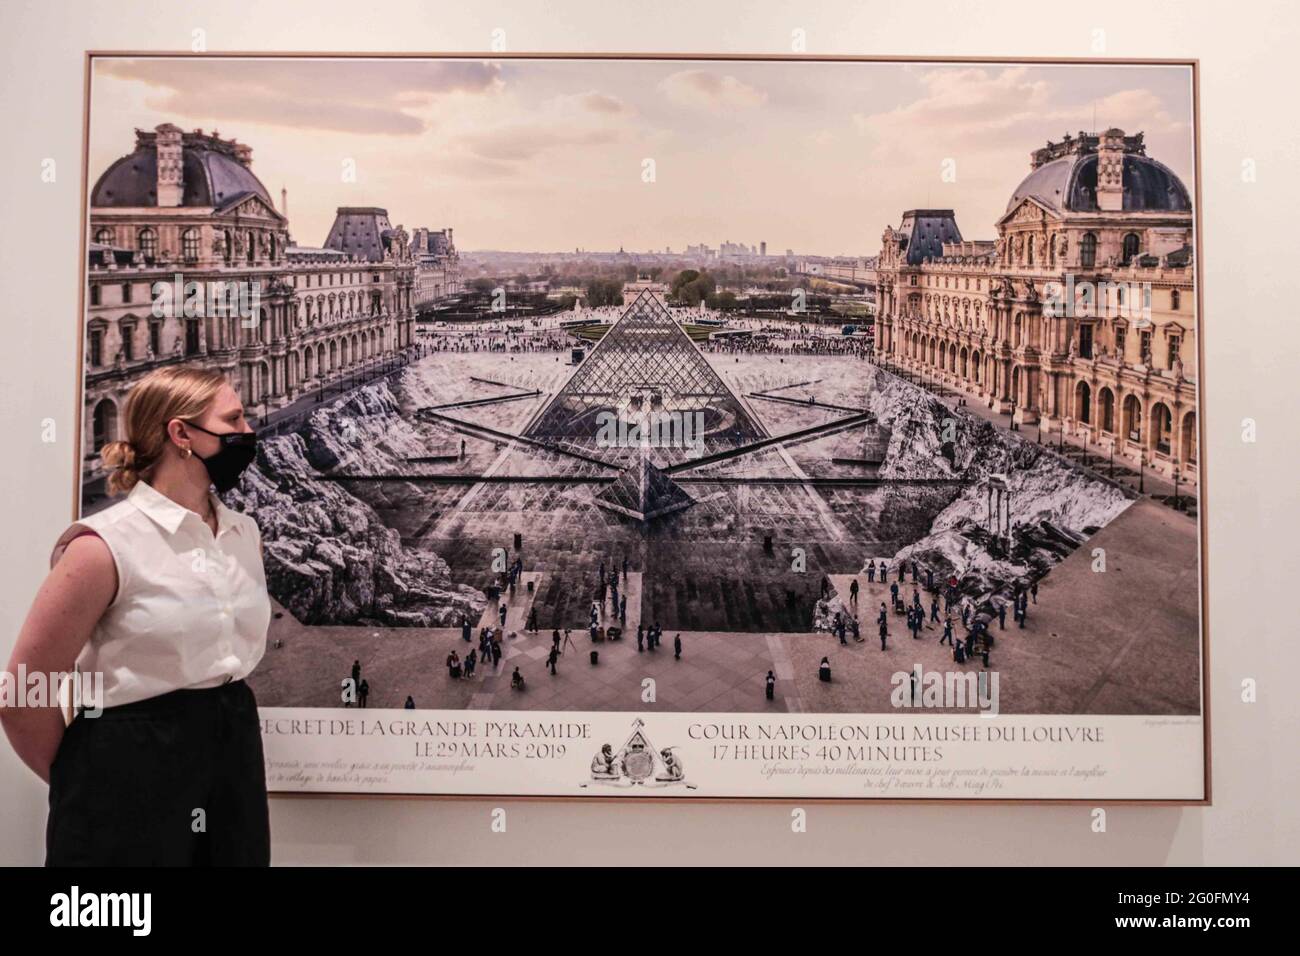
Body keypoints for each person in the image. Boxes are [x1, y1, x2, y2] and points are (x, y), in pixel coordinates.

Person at [1, 366, 270, 866]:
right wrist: (86, 780)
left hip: (232, 761)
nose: (247, 431)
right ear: (181, 434)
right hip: (127, 767)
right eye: (233, 419)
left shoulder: (242, 533)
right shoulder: (102, 546)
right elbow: (22, 693)